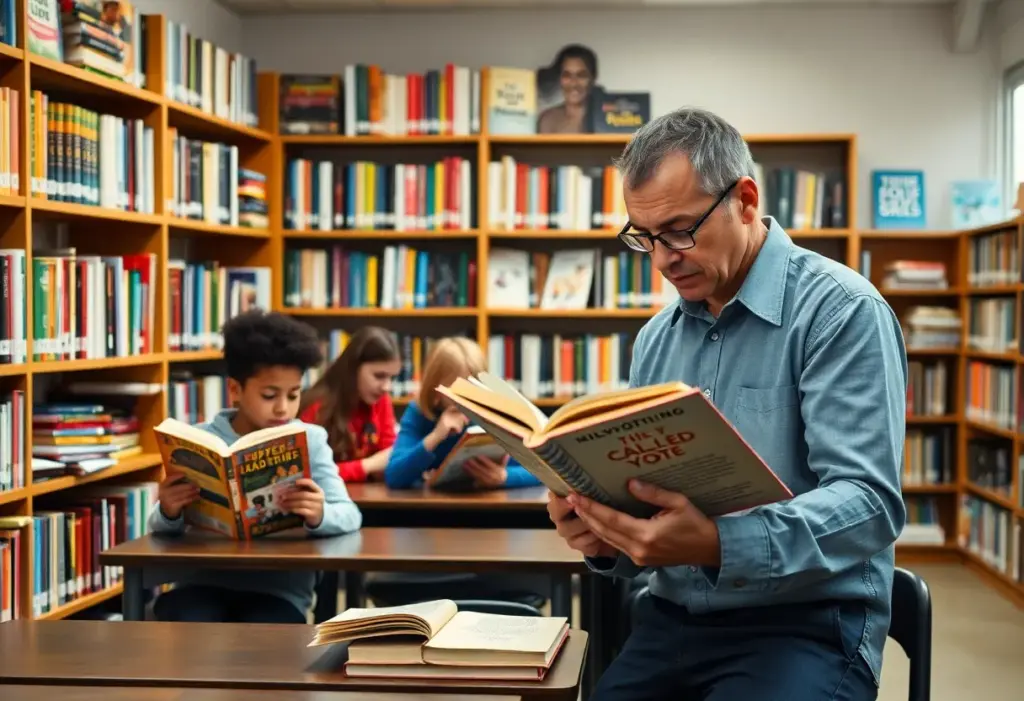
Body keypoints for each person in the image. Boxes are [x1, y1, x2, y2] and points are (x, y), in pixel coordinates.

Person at [547, 108, 907, 700]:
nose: (663, 259)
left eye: (681, 230)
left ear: (744, 200)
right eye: (645, 237)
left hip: (807, 625)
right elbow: (652, 509)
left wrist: (718, 544)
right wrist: (607, 535)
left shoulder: (840, 312)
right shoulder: (658, 339)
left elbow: (868, 504)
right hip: (674, 618)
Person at [149, 309, 363, 623]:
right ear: (235, 390)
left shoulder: (310, 440)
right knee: (188, 622)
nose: (283, 407)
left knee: (267, 632)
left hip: (278, 590)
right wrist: (168, 510)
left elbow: (350, 514)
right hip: (201, 582)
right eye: (269, 395)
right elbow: (158, 528)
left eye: (293, 395)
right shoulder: (198, 441)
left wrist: (320, 514)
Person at [384, 336, 541, 491]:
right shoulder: (418, 413)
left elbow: (543, 471)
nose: (469, 401)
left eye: (476, 390)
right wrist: (435, 437)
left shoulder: (495, 415)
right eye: (460, 392)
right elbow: (393, 476)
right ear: (436, 390)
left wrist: (505, 477)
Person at [298, 326, 402, 483]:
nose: (386, 387)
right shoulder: (317, 407)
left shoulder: (381, 399)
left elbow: (389, 455)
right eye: (379, 376)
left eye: (391, 378)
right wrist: (368, 466)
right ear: (353, 369)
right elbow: (309, 474)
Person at [537, 44, 597, 134]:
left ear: (592, 78)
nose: (573, 83)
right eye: (567, 75)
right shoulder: (547, 119)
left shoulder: (606, 118)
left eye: (581, 75)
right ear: (559, 78)